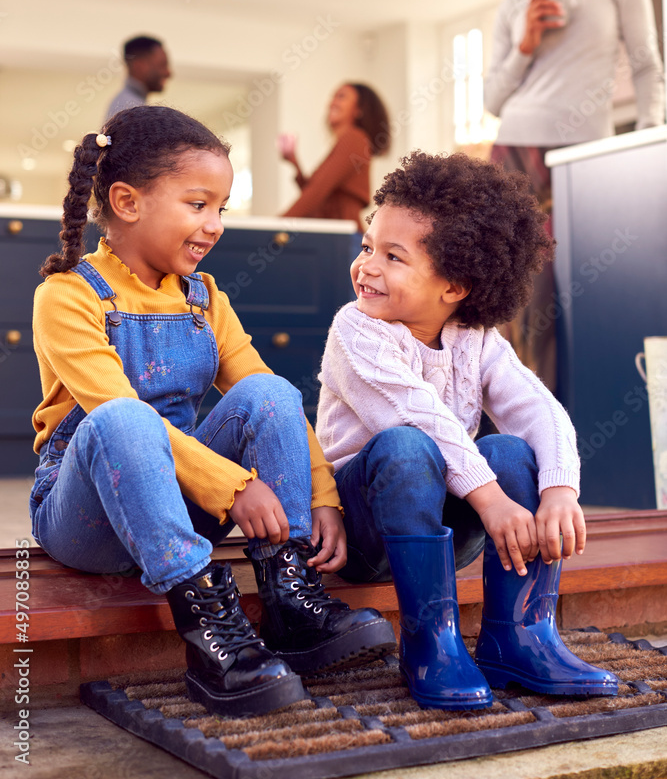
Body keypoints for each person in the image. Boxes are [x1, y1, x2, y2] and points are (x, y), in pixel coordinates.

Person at [29, 106, 394, 719]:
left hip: (186, 503)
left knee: (270, 392)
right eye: (199, 204)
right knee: (124, 418)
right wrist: (235, 486)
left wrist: (323, 493)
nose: (215, 224)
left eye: (221, 208)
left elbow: (264, 394)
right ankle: (209, 632)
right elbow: (117, 414)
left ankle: (290, 601)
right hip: (89, 519)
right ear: (126, 201)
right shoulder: (66, 296)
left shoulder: (205, 297)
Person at [316, 150, 619, 710]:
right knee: (408, 446)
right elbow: (418, 417)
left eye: (393, 256)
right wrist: (493, 501)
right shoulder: (355, 331)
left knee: (511, 449)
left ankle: (520, 636)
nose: (367, 266)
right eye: (367, 247)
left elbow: (539, 408)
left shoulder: (475, 338)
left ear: (454, 285)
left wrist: (559, 492)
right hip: (364, 532)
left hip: (447, 528)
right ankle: (429, 640)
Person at [484, 0, 665, 392]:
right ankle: (518, 435)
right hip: (514, 150)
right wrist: (525, 42)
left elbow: (649, 64)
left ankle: (576, 429)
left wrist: (647, 143)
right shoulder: (514, 5)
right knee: (515, 295)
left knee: (588, 293)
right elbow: (493, 100)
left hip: (585, 155)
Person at [278, 82, 390, 231]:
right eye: (333, 97)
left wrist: (276, 226)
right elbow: (320, 194)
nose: (332, 103)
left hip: (341, 238)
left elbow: (318, 190)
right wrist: (295, 164)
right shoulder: (347, 142)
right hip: (335, 234)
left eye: (341, 97)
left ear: (359, 109)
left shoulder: (354, 138)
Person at [104, 36, 172, 122]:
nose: (168, 73)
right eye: (162, 65)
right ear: (140, 66)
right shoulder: (129, 110)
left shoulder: (127, 103)